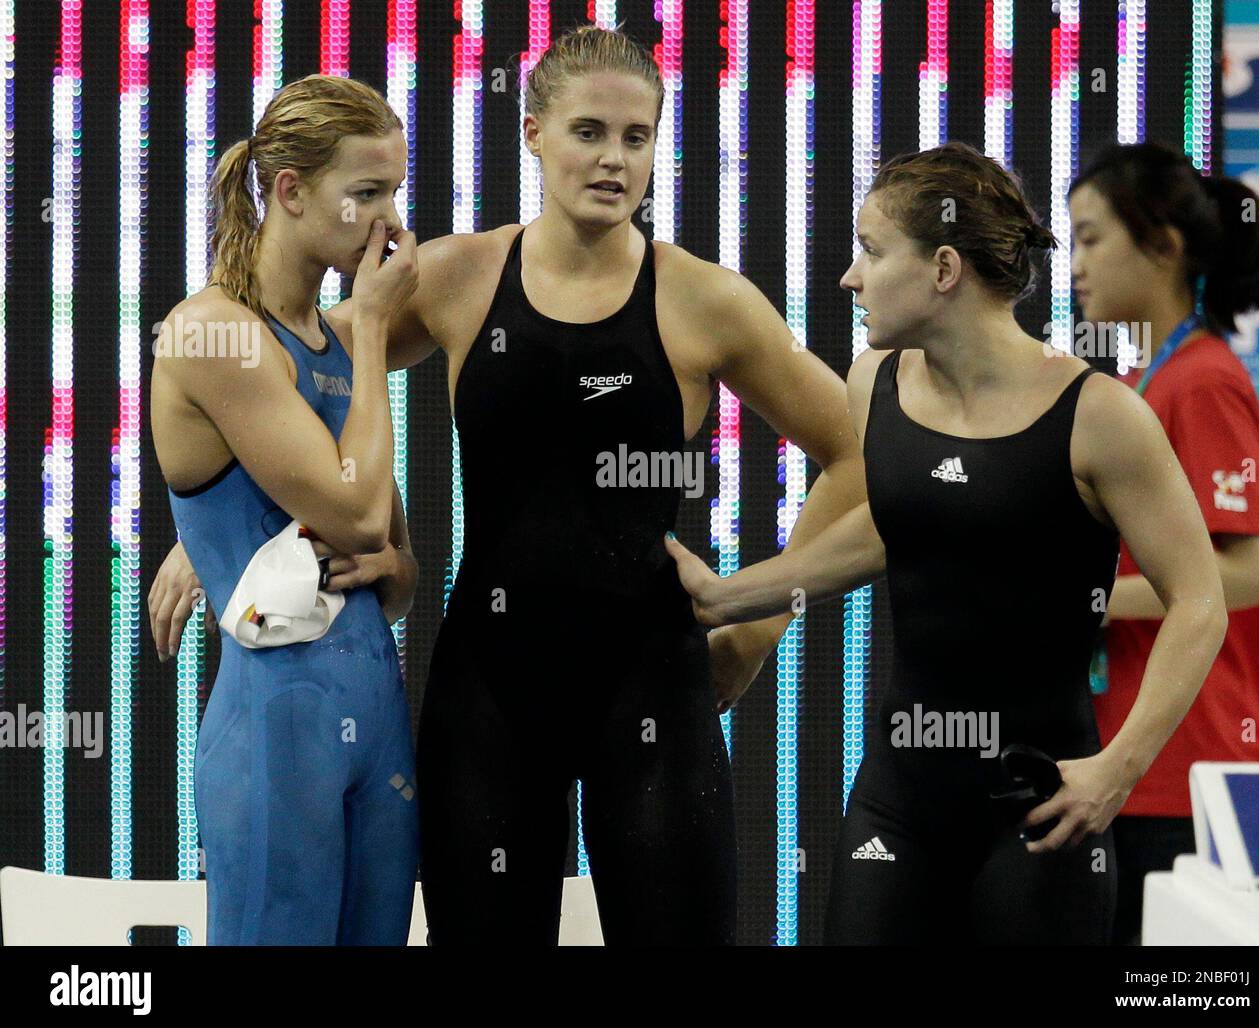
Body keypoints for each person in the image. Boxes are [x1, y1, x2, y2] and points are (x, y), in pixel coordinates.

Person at [152, 26, 867, 945]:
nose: (614, 159)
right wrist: (208, 527)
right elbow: (283, 384)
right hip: (491, 697)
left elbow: (860, 454)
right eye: (588, 132)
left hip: (650, 690)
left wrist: (762, 616)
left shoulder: (706, 301)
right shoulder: (455, 275)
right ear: (533, 133)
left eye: (637, 137)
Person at [664, 141, 1229, 945]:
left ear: (942, 269)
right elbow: (901, 521)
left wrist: (1118, 769)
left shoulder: (1099, 417)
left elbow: (1201, 602)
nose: (848, 277)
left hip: (1040, 806)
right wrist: (736, 594)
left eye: (869, 250)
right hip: (899, 801)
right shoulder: (876, 382)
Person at [148, 75, 420, 945]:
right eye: (365, 195)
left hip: (376, 723)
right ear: (290, 191)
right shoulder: (211, 332)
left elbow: (398, 568)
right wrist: (375, 330)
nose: (387, 225)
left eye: (395, 195)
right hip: (277, 729)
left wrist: (391, 567)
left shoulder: (335, 341)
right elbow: (355, 512)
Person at [1069, 142, 1259, 945]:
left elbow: (1257, 572)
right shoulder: (1146, 383)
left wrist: (1082, 601)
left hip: (1194, 769)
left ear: (1162, 245)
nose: (1077, 266)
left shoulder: (1201, 380)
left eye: (1092, 239)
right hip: (1148, 760)